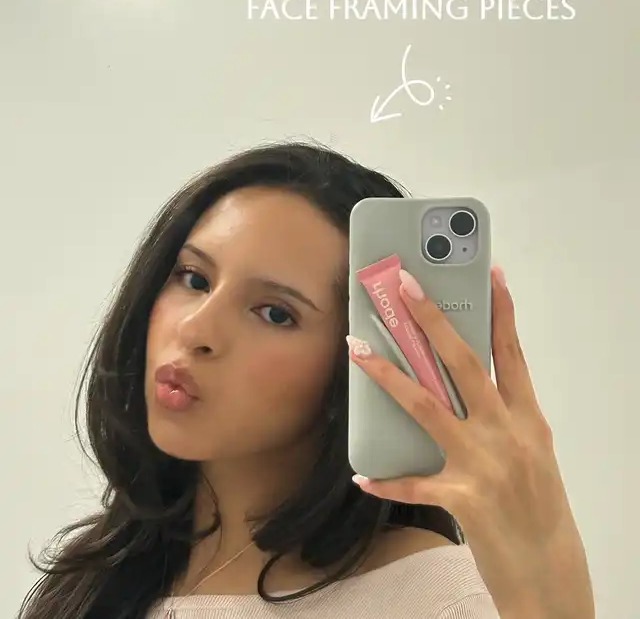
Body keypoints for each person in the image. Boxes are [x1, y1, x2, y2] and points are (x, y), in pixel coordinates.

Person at [17, 142, 593, 619]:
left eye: (274, 313)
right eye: (193, 278)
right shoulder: (96, 573)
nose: (195, 330)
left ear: (351, 363)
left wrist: (553, 601)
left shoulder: (433, 595)